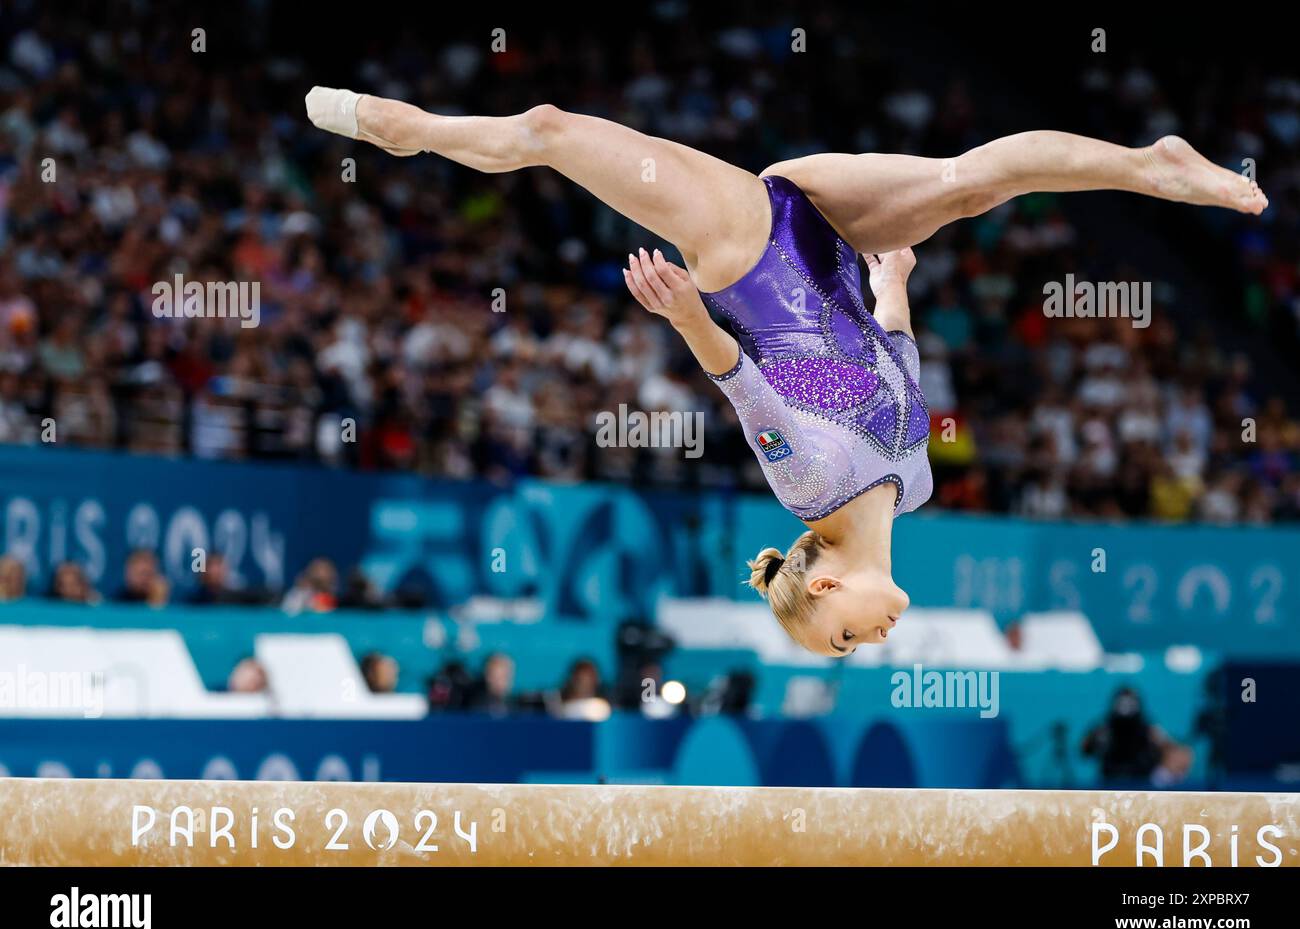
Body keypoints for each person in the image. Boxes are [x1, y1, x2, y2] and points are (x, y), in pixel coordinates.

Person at [306, 88, 1266, 656]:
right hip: (839, 242)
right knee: (969, 183)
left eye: (842, 636)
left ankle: (414, 129)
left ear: (822, 584)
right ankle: (1156, 165)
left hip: (752, 245)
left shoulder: (809, 486)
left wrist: (686, 313)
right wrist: (894, 286)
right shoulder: (917, 484)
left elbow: (742, 384)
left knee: (553, 130)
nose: (872, 640)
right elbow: (895, 361)